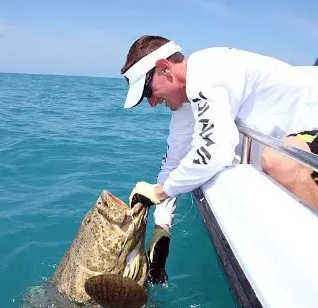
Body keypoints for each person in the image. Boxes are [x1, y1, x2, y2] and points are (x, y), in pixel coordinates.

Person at [121, 35, 318, 284]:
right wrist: (163, 227)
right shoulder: (186, 102)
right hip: (294, 138)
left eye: (147, 91)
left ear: (164, 68)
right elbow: (172, 164)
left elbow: (216, 152)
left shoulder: (208, 71)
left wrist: (161, 193)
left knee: (278, 161)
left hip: (313, 126)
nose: (151, 102)